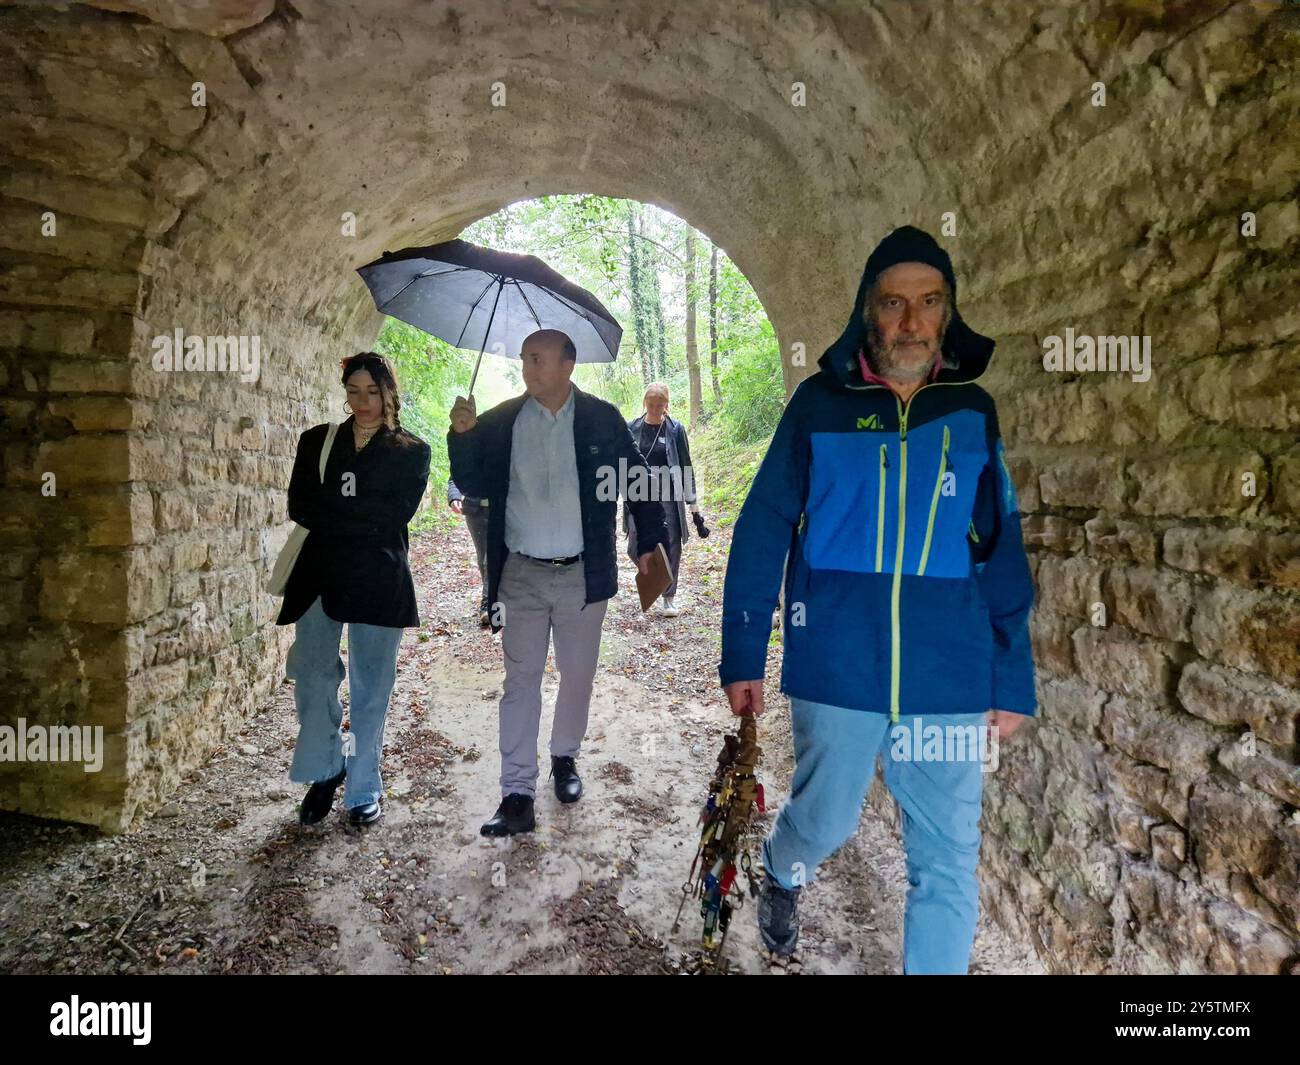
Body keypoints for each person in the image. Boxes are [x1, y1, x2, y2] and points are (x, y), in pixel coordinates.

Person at [718, 226, 1037, 972]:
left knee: (948, 859)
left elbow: (1001, 548)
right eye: (893, 302)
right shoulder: (818, 407)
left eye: (929, 302)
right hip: (837, 660)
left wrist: (1011, 672)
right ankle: (785, 865)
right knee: (825, 819)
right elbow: (764, 526)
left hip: (948, 670)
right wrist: (743, 650)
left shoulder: (970, 410)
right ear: (869, 309)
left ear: (948, 313)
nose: (910, 320)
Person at [448, 329, 668, 836]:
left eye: (539, 359)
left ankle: (564, 759)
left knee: (576, 675)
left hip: (581, 574)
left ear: (568, 365)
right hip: (520, 574)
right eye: (526, 359)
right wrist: (462, 437)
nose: (529, 368)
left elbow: (636, 481)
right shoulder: (502, 421)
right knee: (519, 683)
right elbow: (475, 484)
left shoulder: (601, 418)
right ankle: (516, 793)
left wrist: (648, 544)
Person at [277, 351, 431, 827]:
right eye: (353, 392)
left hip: (380, 580)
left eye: (372, 392)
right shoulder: (317, 442)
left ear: (389, 392)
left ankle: (363, 784)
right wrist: (358, 514)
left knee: (371, 688)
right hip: (319, 576)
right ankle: (326, 766)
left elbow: (394, 515)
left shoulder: (412, 450)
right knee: (313, 675)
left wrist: (339, 514)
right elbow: (301, 504)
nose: (362, 402)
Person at [624, 382, 707, 617]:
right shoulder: (633, 428)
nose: (655, 409)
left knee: (671, 544)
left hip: (669, 495)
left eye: (660, 405)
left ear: (666, 404)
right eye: (651, 404)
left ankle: (669, 596)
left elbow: (685, 466)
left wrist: (695, 510)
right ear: (644, 402)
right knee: (634, 546)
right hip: (640, 494)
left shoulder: (675, 429)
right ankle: (653, 575)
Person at [447, 477, 491, 626]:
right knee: (482, 558)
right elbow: (455, 477)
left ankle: (488, 605)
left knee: (490, 560)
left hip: (503, 510)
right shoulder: (471, 452)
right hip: (475, 512)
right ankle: (493, 597)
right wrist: (454, 496)